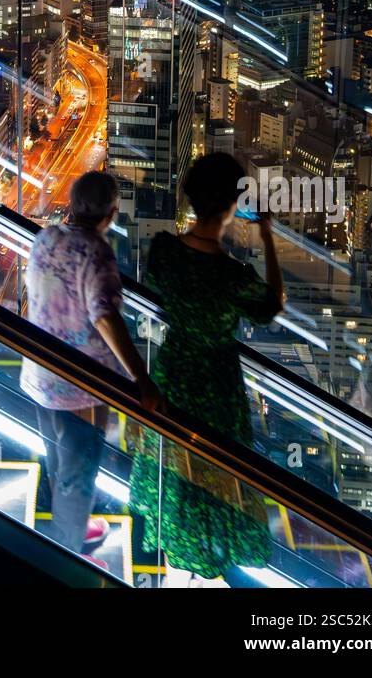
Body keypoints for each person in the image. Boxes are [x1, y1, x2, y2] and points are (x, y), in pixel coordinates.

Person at [129, 153, 286, 587]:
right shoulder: (231, 275)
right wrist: (268, 234)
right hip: (218, 384)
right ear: (233, 206)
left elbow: (162, 282)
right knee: (216, 475)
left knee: (176, 465)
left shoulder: (163, 251)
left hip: (175, 371)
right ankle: (205, 565)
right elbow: (271, 304)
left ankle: (178, 561)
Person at [21, 170, 162, 557]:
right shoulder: (96, 252)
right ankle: (66, 550)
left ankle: (71, 526)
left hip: (39, 372)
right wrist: (141, 378)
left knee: (58, 457)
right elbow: (104, 316)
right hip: (80, 385)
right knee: (79, 467)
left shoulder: (46, 237)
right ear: (112, 212)